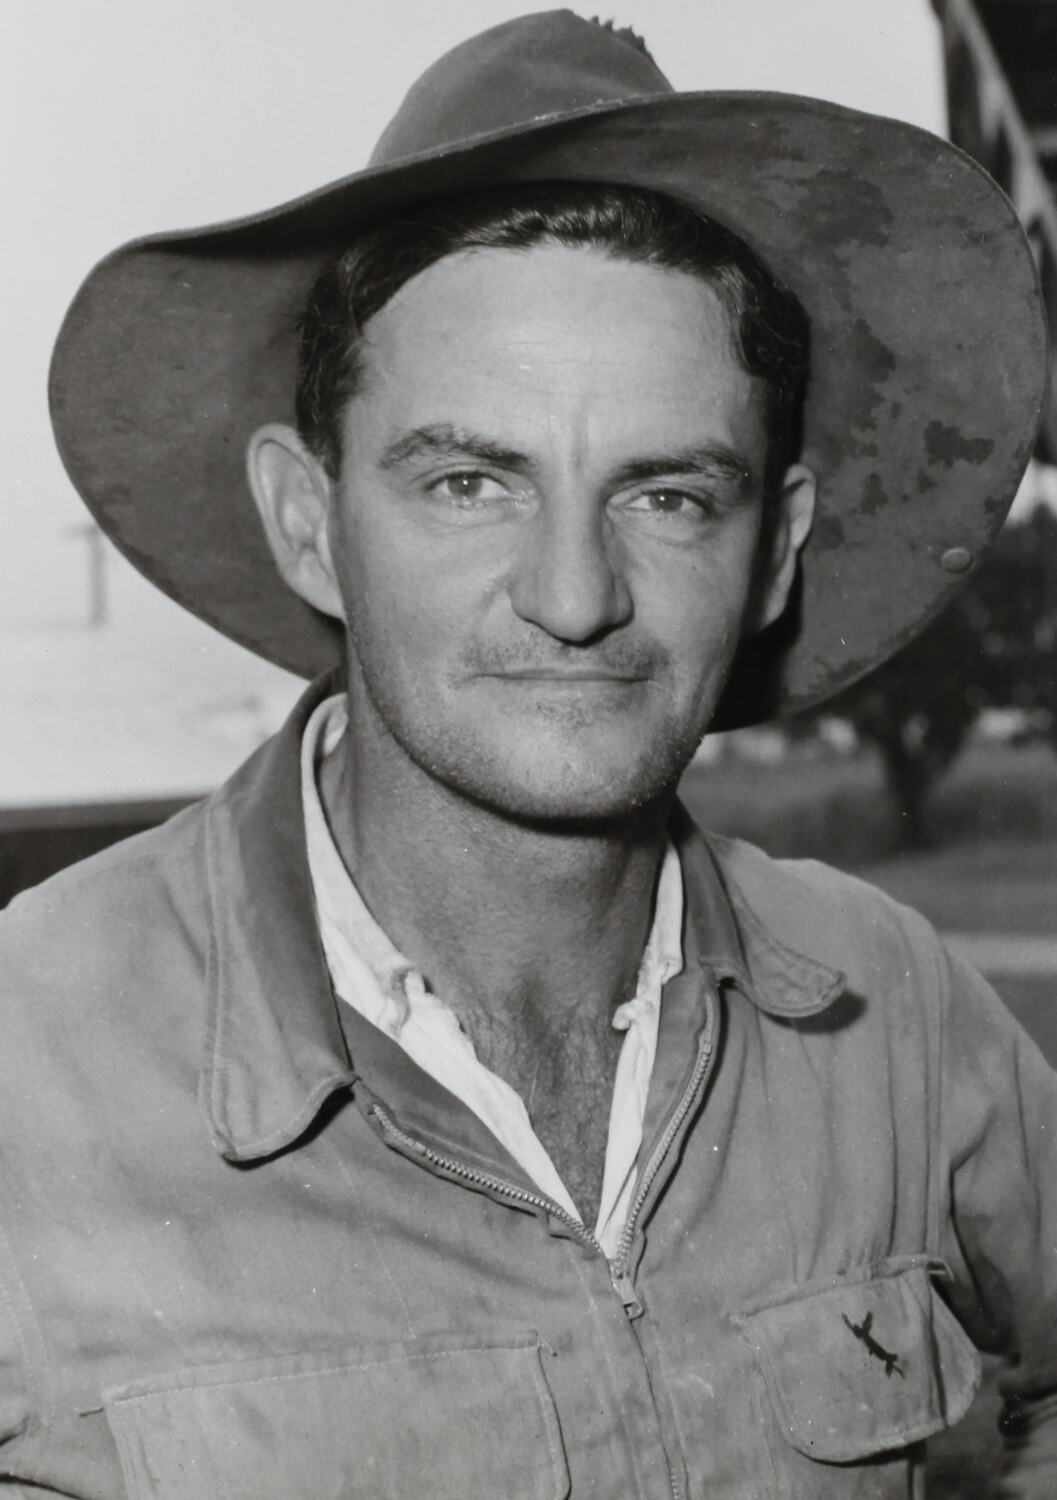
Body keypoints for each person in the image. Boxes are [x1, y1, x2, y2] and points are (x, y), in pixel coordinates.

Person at [2, 10, 1054, 1497]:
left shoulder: (896, 1013)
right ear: (310, 521)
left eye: (670, 495)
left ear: (772, 557)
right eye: (468, 481)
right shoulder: (27, 1066)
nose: (574, 596)